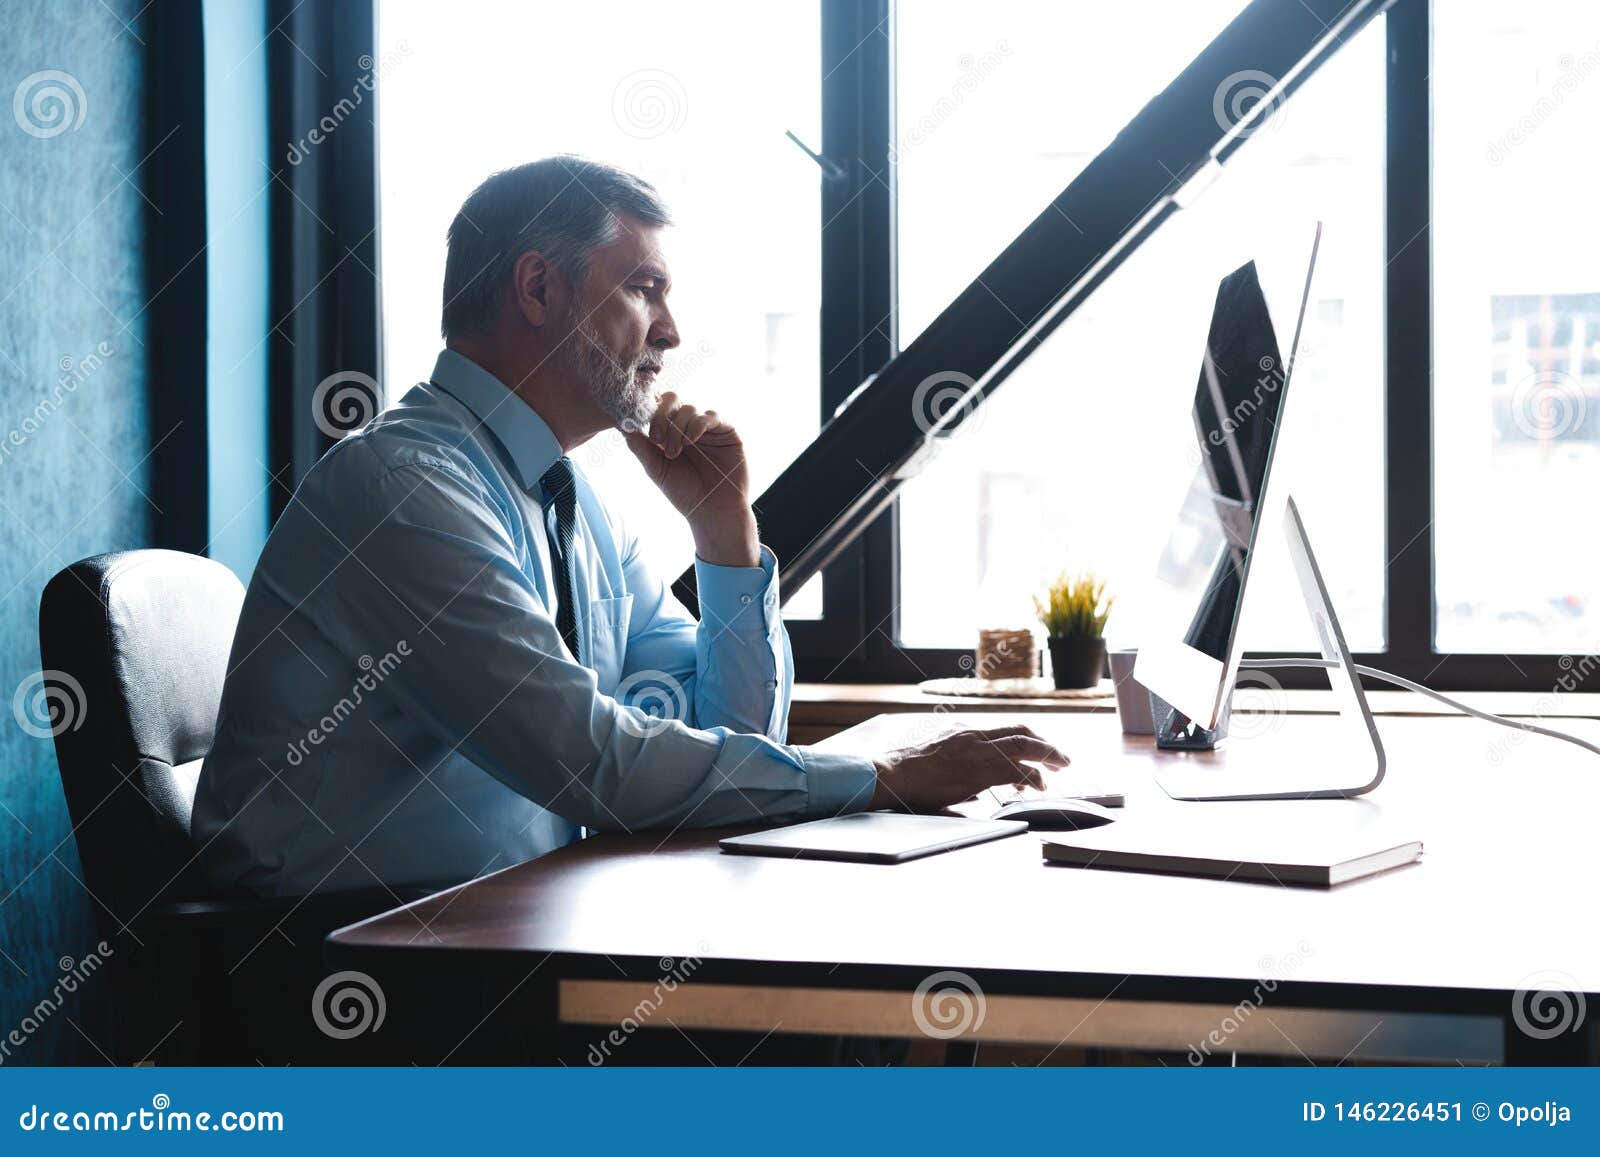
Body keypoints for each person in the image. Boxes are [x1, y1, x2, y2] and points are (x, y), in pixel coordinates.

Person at [191, 156, 1068, 897]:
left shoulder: (577, 503)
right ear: (538, 286)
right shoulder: (404, 492)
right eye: (645, 287)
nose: (673, 332)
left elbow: (731, 730)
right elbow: (589, 759)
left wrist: (724, 534)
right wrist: (881, 777)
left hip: (494, 922)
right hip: (333, 960)